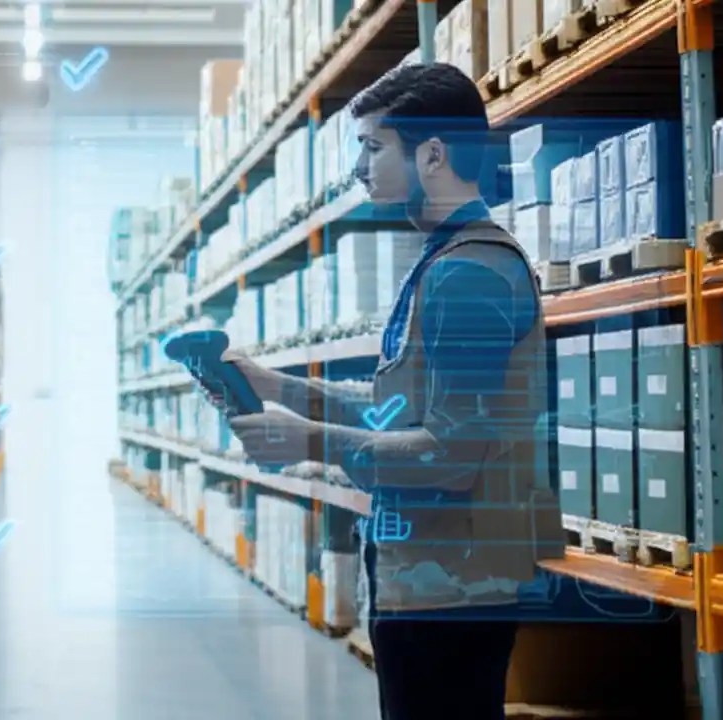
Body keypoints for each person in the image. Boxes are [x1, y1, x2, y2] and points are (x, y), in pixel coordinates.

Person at [219, 63, 564, 719]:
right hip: (429, 589)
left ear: (432, 154)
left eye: (373, 147)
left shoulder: (471, 274)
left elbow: (454, 455)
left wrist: (310, 440)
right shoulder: (445, 263)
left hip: (454, 599)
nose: (360, 167)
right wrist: (273, 386)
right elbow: (393, 413)